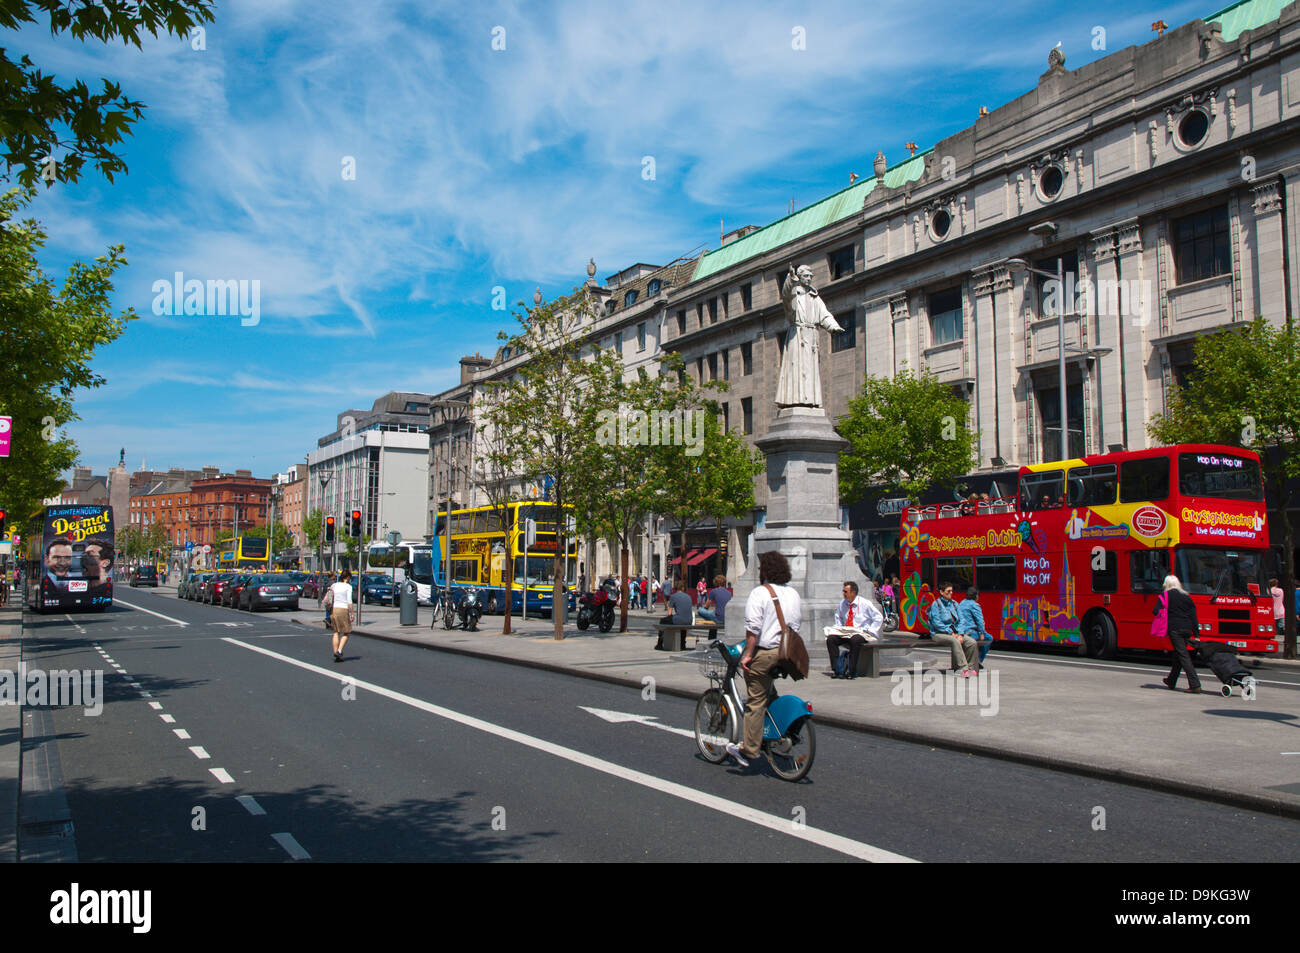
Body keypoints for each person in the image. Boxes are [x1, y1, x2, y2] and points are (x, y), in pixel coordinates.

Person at [727, 550, 802, 767]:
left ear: (765, 571)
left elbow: (753, 629)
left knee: (755, 700)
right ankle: (778, 729)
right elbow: (796, 625)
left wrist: (748, 655)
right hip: (787, 653)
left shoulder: (760, 593)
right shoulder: (794, 594)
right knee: (769, 693)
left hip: (766, 652)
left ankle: (749, 749)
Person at [824, 580, 883, 678]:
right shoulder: (842, 604)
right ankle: (837, 669)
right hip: (847, 631)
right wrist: (839, 629)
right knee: (831, 639)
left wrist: (871, 630)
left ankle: (851, 671)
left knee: (855, 640)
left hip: (861, 632)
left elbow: (878, 617)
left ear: (853, 593)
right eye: (843, 591)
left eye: (845, 592)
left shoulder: (865, 603)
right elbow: (838, 616)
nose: (843, 594)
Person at [927, 581, 979, 676]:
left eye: (952, 591)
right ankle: (963, 668)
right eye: (948, 591)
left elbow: (962, 620)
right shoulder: (936, 604)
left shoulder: (955, 604)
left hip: (955, 633)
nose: (951, 593)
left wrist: (960, 633)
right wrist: (951, 633)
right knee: (955, 641)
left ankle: (970, 668)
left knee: (972, 642)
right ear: (941, 592)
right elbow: (937, 623)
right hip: (939, 633)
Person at [1160, 575, 1202, 693]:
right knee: (1178, 654)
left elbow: (1156, 610)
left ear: (1166, 585)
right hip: (1187, 629)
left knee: (1183, 655)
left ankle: (1195, 684)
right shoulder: (1186, 596)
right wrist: (1197, 634)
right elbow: (1193, 616)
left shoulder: (1165, 595)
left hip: (1175, 629)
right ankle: (1171, 680)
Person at [957, 586, 993, 666]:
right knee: (989, 638)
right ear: (976, 596)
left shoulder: (962, 602)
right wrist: (982, 633)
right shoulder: (974, 605)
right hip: (971, 632)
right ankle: (978, 660)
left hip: (961, 632)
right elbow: (980, 621)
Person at [656, 576, 694, 650]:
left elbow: (669, 613)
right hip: (689, 620)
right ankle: (683, 643)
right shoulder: (689, 596)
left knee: (663, 621)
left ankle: (660, 643)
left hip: (679, 619)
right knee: (682, 624)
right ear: (683, 588)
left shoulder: (673, 596)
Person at [328, 570, 356, 663]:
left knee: (336, 632)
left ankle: (336, 652)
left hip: (334, 609)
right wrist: (352, 613)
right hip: (343, 609)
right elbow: (349, 601)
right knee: (346, 631)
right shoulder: (348, 586)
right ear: (348, 577)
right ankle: (339, 651)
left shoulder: (334, 585)